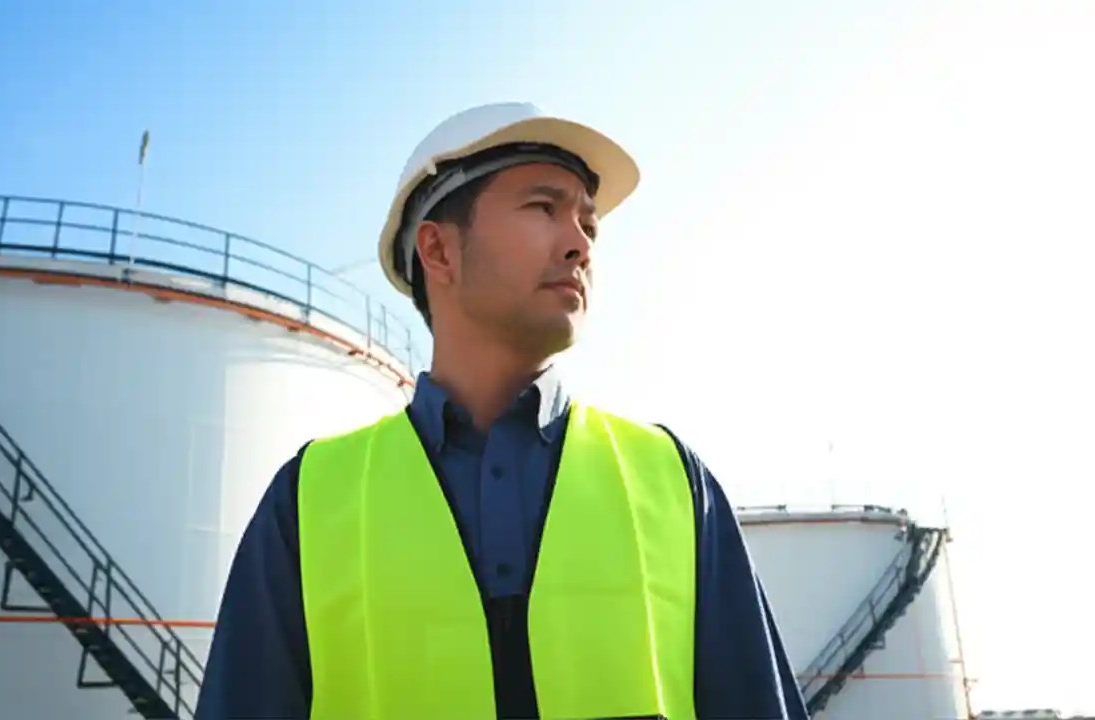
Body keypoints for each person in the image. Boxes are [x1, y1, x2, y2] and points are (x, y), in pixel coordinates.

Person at [197, 102, 809, 720]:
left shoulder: (675, 482)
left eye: (588, 226)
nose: (579, 245)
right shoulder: (307, 503)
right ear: (438, 251)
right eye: (544, 208)